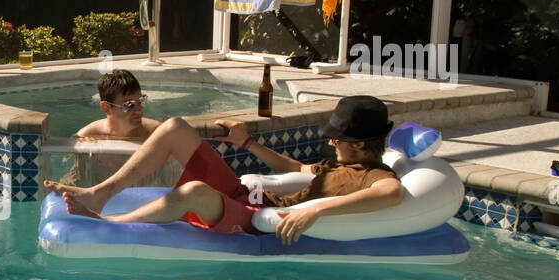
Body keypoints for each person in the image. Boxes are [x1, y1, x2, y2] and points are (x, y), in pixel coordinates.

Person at [45, 95, 404, 245]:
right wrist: (246, 143)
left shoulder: (373, 175)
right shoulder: (339, 162)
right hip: (248, 198)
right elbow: (297, 167)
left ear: (359, 145)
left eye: (337, 139)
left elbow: (391, 193)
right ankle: (99, 194)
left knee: (193, 193)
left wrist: (314, 209)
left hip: (257, 222)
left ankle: (106, 224)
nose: (331, 143)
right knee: (174, 128)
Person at [74, 70, 162, 142]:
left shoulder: (157, 132)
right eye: (129, 104)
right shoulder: (87, 135)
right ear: (106, 107)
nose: (139, 111)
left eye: (140, 101)